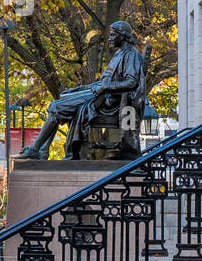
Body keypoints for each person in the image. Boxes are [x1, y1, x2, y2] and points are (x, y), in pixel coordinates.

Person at [17, 20, 145, 160]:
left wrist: (105, 87)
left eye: (113, 35)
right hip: (98, 94)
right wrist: (79, 88)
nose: (109, 38)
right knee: (62, 98)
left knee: (56, 106)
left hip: (108, 101)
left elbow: (131, 83)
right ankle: (42, 150)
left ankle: (36, 149)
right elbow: (103, 82)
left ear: (123, 35)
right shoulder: (119, 54)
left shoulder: (131, 55)